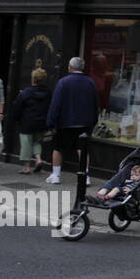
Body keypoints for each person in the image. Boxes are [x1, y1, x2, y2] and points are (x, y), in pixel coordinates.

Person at [46, 57, 99, 185]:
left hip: (65, 122)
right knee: (82, 149)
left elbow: (56, 104)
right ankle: (85, 176)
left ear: (70, 67)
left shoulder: (63, 82)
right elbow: (95, 104)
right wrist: (94, 120)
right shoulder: (90, 83)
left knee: (58, 148)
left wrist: (51, 122)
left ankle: (56, 175)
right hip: (85, 122)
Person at [13, 67, 52, 174]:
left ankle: (26, 167)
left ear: (33, 79)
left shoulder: (26, 92)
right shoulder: (48, 92)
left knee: (26, 143)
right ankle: (38, 159)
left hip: (27, 122)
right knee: (36, 142)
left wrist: (16, 119)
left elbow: (17, 107)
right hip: (41, 122)